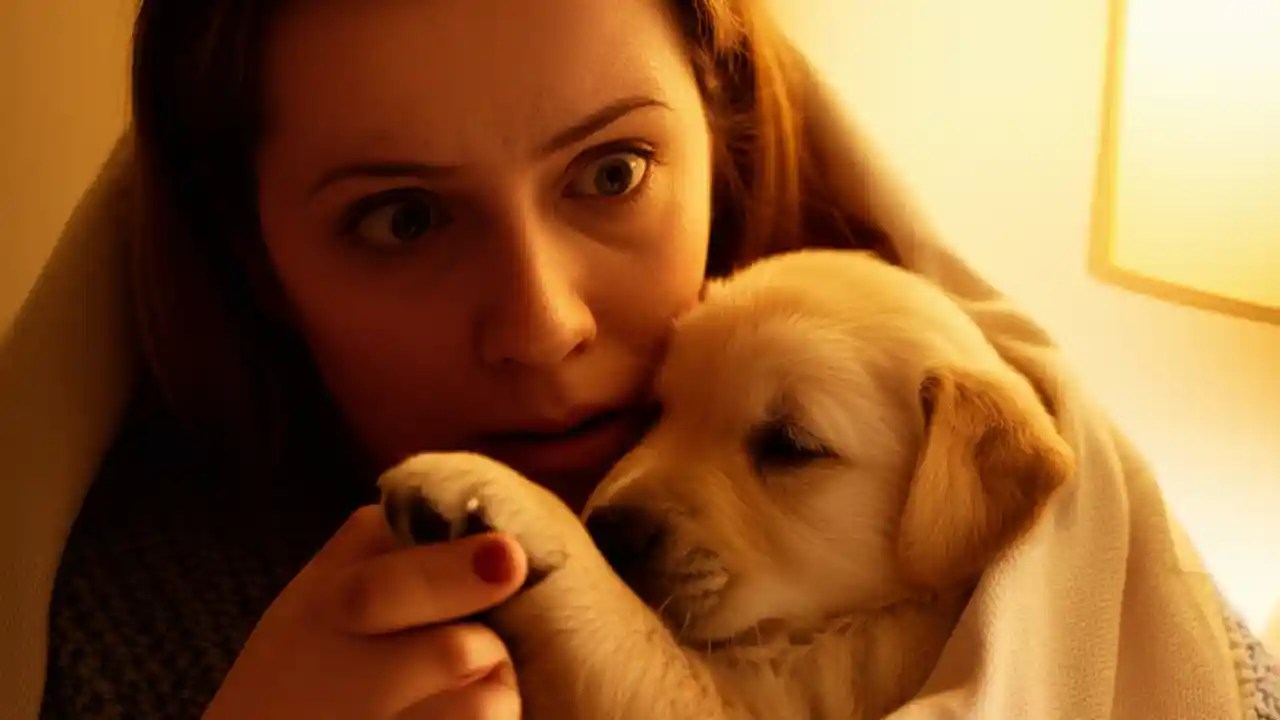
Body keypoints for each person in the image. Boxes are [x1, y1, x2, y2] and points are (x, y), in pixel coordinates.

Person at [6, 0, 1272, 718]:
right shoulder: (115, 634)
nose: (543, 321)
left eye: (609, 172)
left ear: (716, 135)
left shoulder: (1087, 528)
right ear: (253, 256)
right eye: (402, 217)